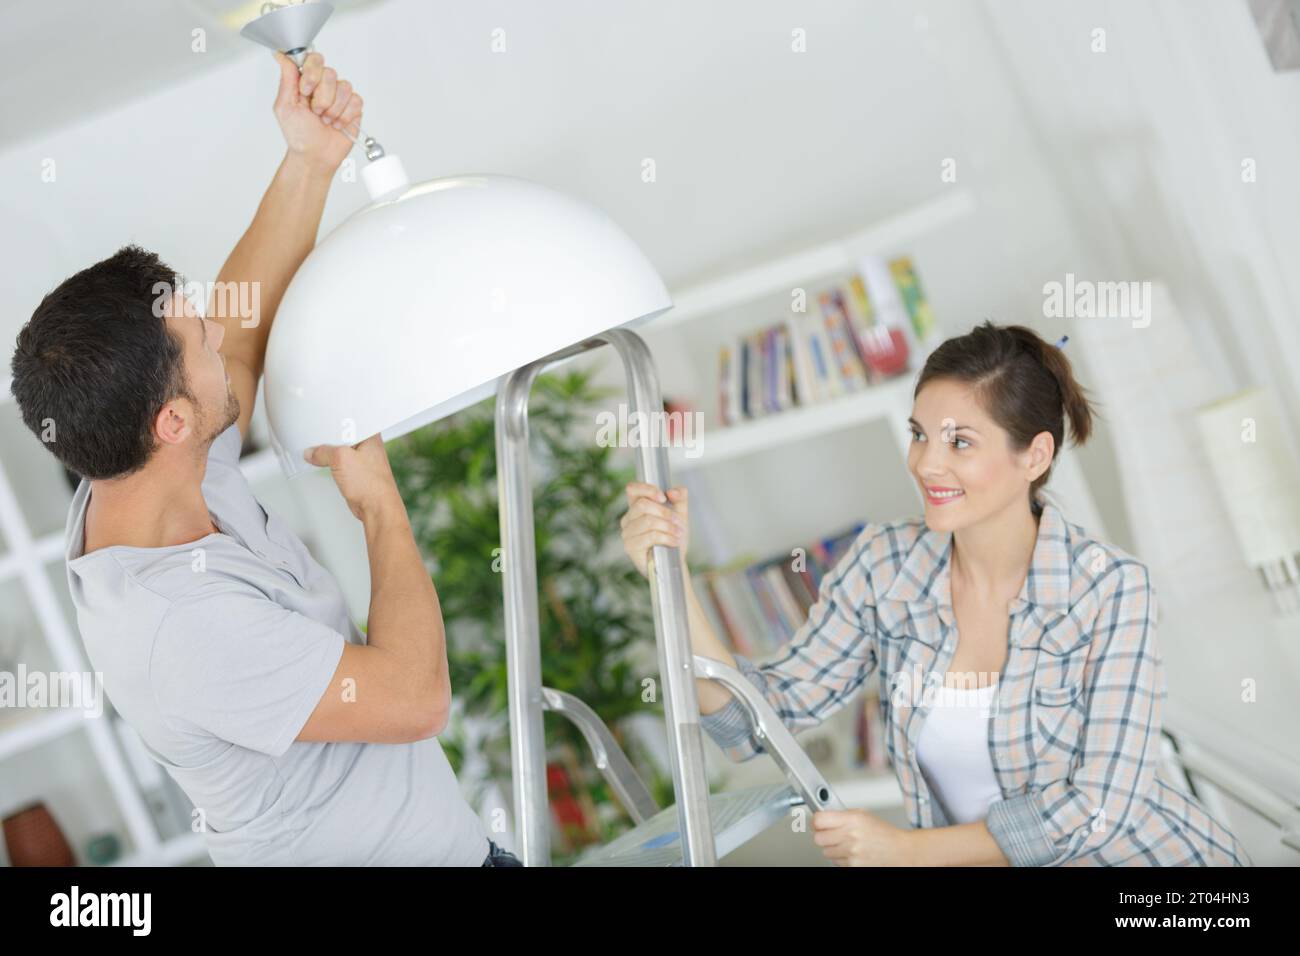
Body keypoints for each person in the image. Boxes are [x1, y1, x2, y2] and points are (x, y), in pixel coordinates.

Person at [9, 52, 513, 867]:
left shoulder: (152, 466)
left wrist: (310, 158)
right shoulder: (180, 627)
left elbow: (239, 337)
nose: (221, 332)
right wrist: (378, 503)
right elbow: (416, 699)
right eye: (196, 338)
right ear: (172, 419)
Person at [620, 320, 1251, 867]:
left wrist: (904, 853)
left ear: (1034, 456)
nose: (926, 464)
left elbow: (1098, 807)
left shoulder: (1109, 590)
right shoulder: (883, 566)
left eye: (960, 442)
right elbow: (756, 721)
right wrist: (667, 575)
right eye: (920, 434)